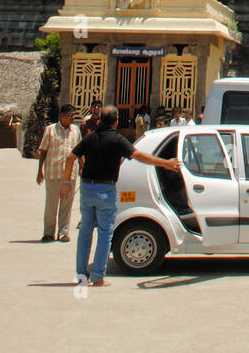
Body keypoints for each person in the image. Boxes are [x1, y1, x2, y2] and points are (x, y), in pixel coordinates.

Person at [59, 104, 182, 288]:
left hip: (87, 189)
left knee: (85, 232)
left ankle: (81, 275)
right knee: (104, 233)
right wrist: (166, 163)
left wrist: (66, 183)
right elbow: (139, 156)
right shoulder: (117, 140)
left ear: (100, 121)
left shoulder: (90, 137)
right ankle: (98, 277)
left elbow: (71, 158)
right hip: (105, 190)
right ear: (116, 121)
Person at [36, 105, 81, 241]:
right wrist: (39, 171)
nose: (72, 118)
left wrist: (83, 168)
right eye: (70, 115)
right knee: (51, 205)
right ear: (62, 116)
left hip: (70, 175)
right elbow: (43, 151)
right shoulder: (50, 130)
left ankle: (63, 233)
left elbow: (80, 151)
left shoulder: (76, 131)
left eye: (73, 115)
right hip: (53, 173)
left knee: (66, 206)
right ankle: (48, 233)